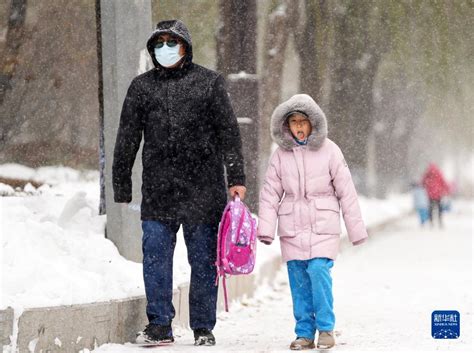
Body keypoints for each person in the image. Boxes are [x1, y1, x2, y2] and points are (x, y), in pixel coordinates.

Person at [112, 19, 246, 346]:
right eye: (159, 44)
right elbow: (127, 137)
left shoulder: (209, 83)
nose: (165, 49)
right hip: (159, 191)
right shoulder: (141, 87)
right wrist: (121, 182)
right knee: (155, 257)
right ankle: (159, 324)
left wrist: (237, 178)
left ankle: (203, 326)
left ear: (185, 46)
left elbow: (229, 134)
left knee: (202, 262)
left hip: (204, 189)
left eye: (172, 43)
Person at [257, 94, 368, 350]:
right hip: (292, 227)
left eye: (303, 121)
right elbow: (270, 192)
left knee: (318, 271)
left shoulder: (330, 150)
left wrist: (356, 230)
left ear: (312, 123)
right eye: (293, 121)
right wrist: (266, 228)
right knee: (298, 281)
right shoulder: (280, 155)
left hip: (322, 225)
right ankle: (304, 332)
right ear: (286, 125)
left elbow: (346, 191)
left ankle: (326, 328)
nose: (298, 126)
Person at [421, 163, 450, 228]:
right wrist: (447, 190)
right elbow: (443, 182)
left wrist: (425, 186)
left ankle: (431, 222)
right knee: (439, 208)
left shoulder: (427, 174)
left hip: (430, 194)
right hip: (438, 194)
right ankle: (440, 221)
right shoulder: (438, 173)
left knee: (430, 208)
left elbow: (422, 182)